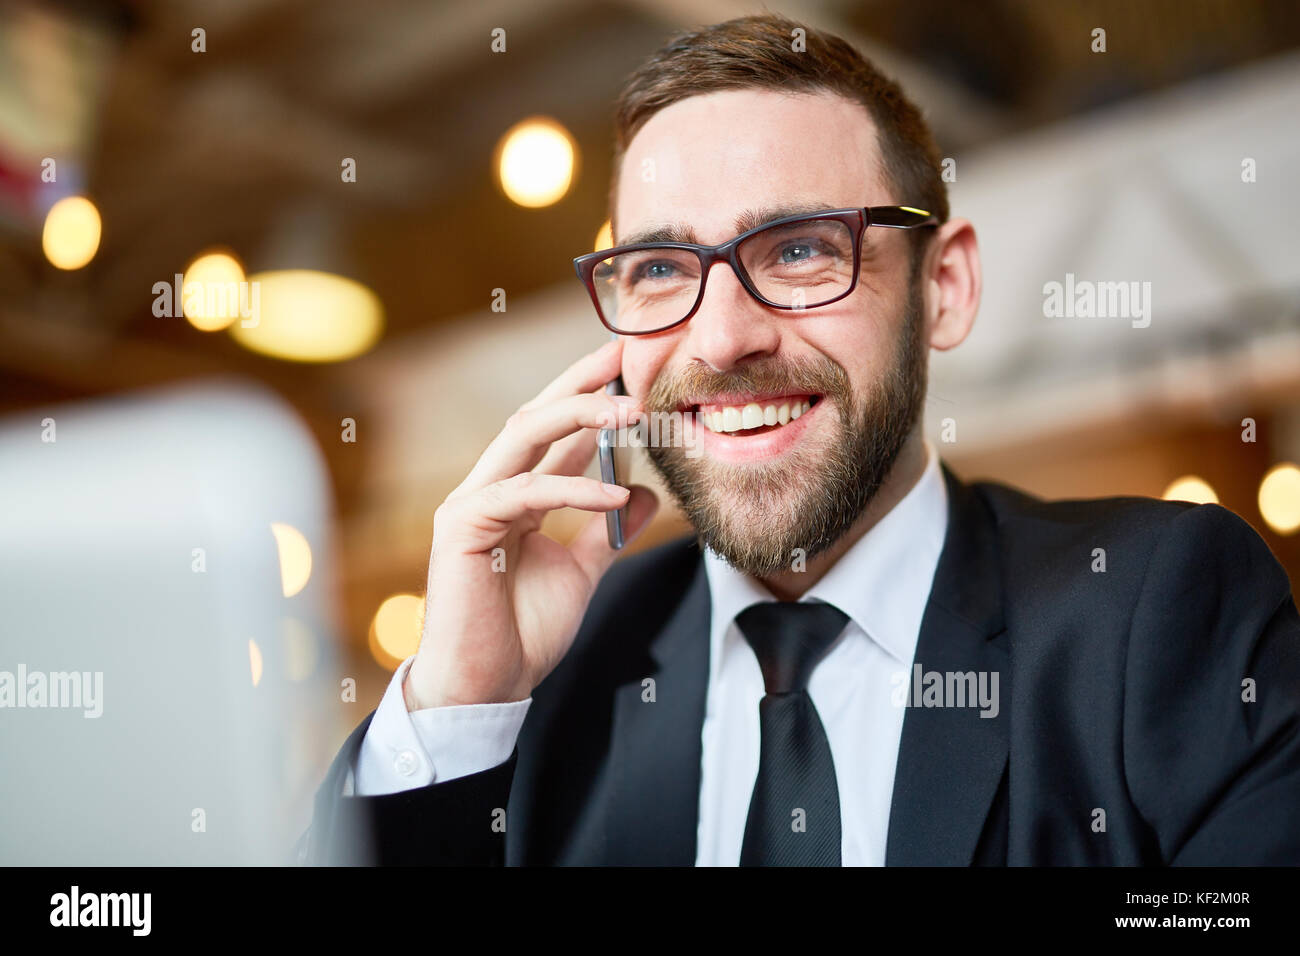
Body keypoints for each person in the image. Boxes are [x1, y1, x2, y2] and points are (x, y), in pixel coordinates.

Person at [300, 14, 1300, 866]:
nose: (724, 337)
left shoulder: (1154, 608)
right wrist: (455, 702)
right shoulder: (545, 682)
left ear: (940, 288)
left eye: (800, 249)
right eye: (657, 269)